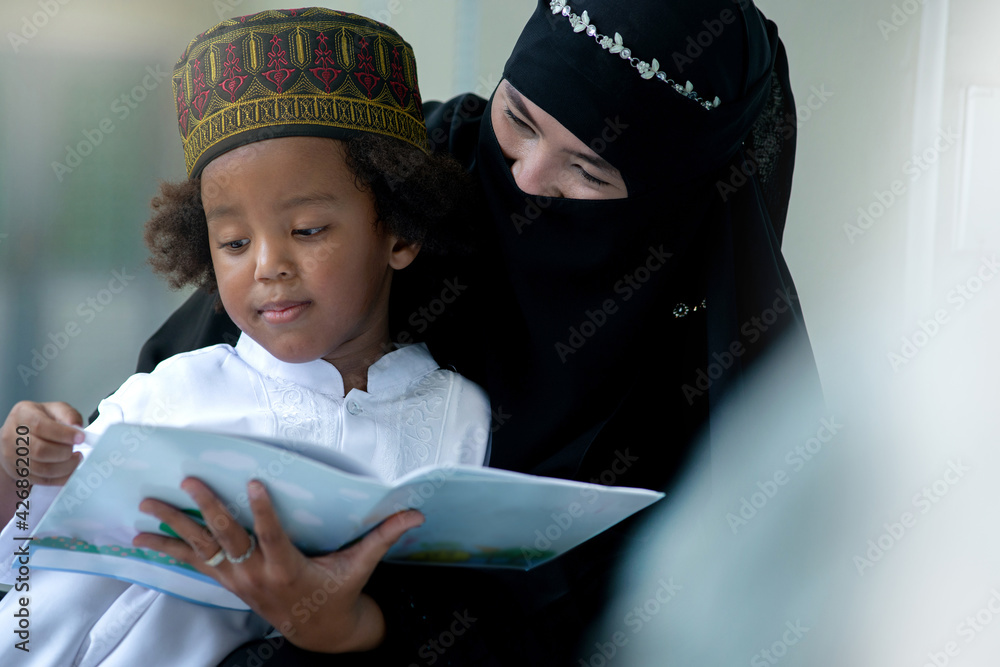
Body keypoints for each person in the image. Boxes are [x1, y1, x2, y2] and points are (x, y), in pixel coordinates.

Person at [1, 0, 823, 663]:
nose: (526, 181)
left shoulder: (689, 366)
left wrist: (359, 626)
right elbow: (45, 544)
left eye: (589, 170)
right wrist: (23, 469)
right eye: (520, 120)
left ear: (665, 204)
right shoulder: (385, 179)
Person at [0, 8, 491, 665]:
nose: (266, 265)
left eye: (308, 229)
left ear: (400, 231)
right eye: (233, 241)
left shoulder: (458, 416)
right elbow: (29, 550)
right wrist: (20, 464)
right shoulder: (174, 387)